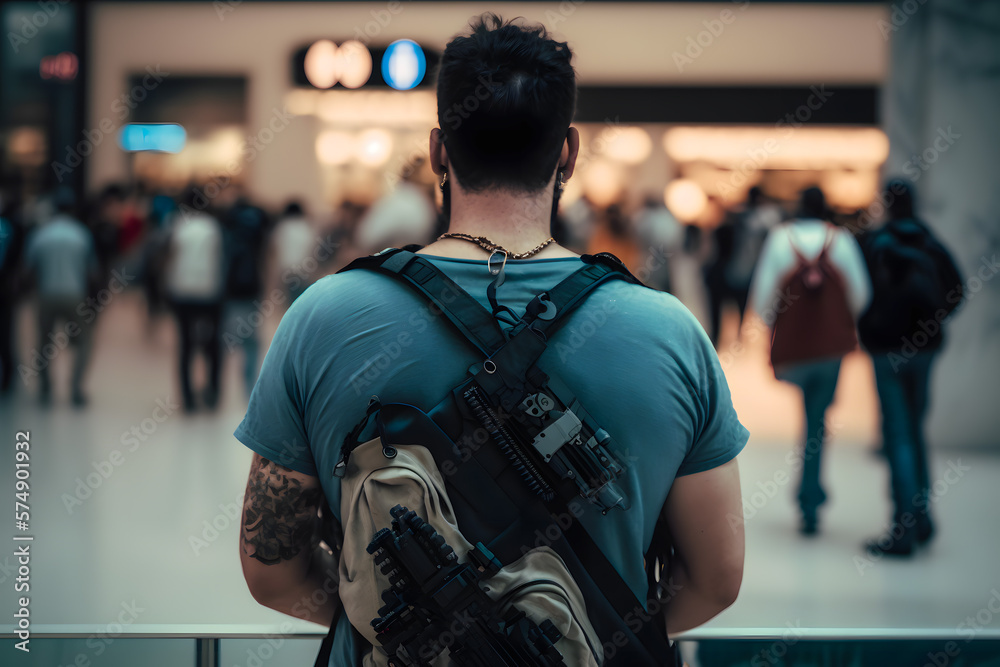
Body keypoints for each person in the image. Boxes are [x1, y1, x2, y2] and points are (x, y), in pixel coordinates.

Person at [235, 14, 747, 665]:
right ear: (568, 151)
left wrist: (401, 626)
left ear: (440, 150)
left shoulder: (323, 316)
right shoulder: (671, 332)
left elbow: (271, 566)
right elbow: (716, 577)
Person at [749, 186, 871, 534]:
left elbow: (762, 299)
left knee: (810, 417)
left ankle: (808, 496)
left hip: (795, 349)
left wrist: (773, 325)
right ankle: (810, 498)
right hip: (830, 348)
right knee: (818, 421)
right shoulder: (842, 240)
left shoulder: (780, 239)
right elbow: (861, 295)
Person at [857, 179, 963, 555]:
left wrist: (868, 330)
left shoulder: (874, 245)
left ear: (885, 204)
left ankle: (903, 529)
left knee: (897, 436)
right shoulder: (930, 244)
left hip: (886, 351)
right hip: (925, 351)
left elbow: (857, 294)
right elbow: (958, 291)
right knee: (916, 431)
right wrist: (932, 324)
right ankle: (922, 518)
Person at [23, 188, 100, 406]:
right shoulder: (80, 233)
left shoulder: (40, 233)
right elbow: (91, 271)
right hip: (73, 295)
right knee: (85, 341)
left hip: (46, 295)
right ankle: (75, 387)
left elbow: (28, 269)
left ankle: (45, 386)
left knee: (43, 343)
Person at [164, 188, 225, 412]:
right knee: (213, 344)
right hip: (209, 290)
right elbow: (220, 257)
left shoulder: (177, 224)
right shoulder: (213, 226)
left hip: (182, 290)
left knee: (185, 345)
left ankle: (187, 398)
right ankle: (212, 391)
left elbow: (170, 256)